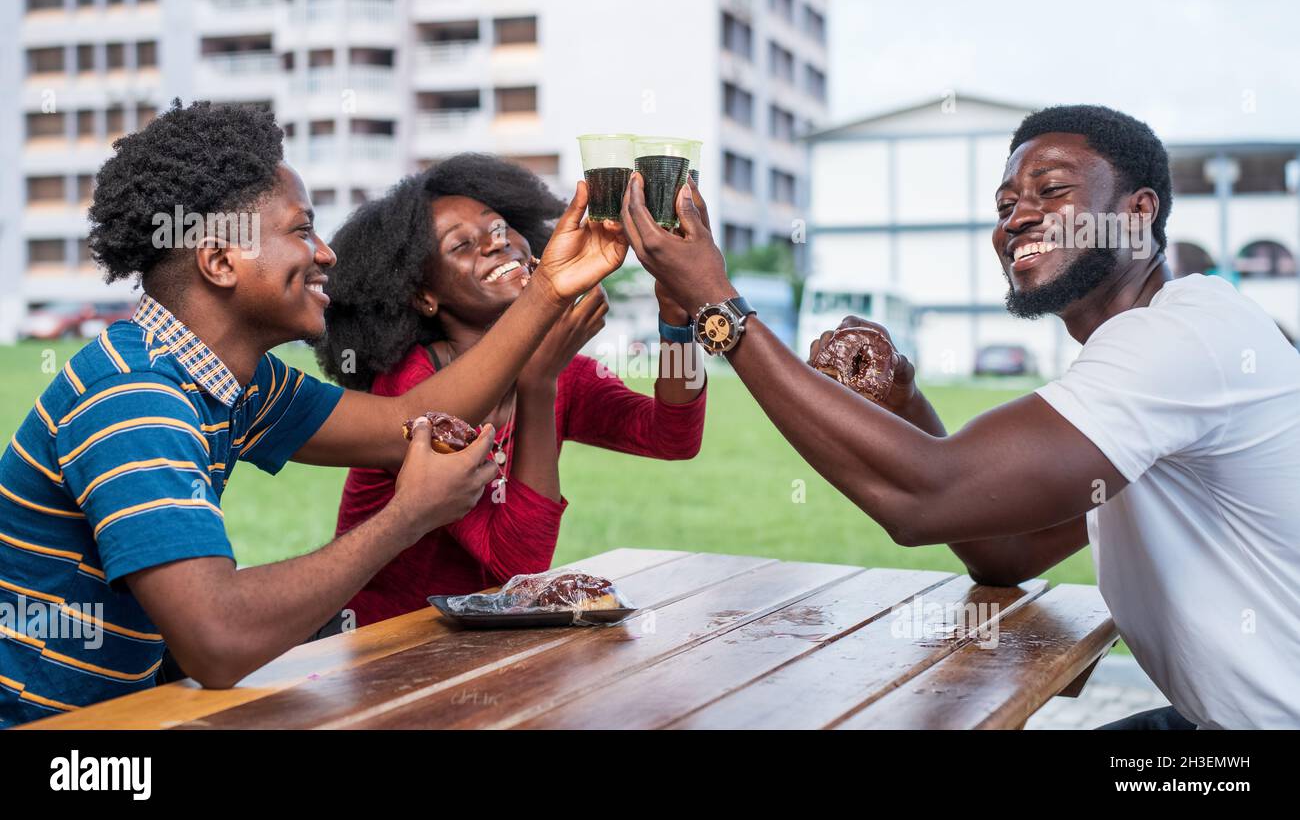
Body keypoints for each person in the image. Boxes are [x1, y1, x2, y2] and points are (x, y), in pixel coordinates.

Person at [623, 104, 1300, 730]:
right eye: (1006, 203)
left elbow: (926, 497)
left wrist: (717, 306)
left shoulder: (1179, 338)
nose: (1017, 218)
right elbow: (1002, 548)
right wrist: (905, 401)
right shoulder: (1157, 355)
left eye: (1051, 190)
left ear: (1138, 212)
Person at [0, 100, 626, 727]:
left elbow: (408, 418)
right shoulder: (133, 397)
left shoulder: (232, 378)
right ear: (221, 262)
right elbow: (217, 641)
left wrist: (548, 289)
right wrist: (406, 516)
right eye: (301, 231)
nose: (328, 254)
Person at [313, 154, 706, 627]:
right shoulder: (412, 387)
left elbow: (673, 436)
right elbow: (517, 563)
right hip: (381, 647)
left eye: (500, 227)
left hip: (477, 646)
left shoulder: (564, 371)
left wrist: (677, 321)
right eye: (461, 245)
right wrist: (537, 386)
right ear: (424, 296)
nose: (496, 245)